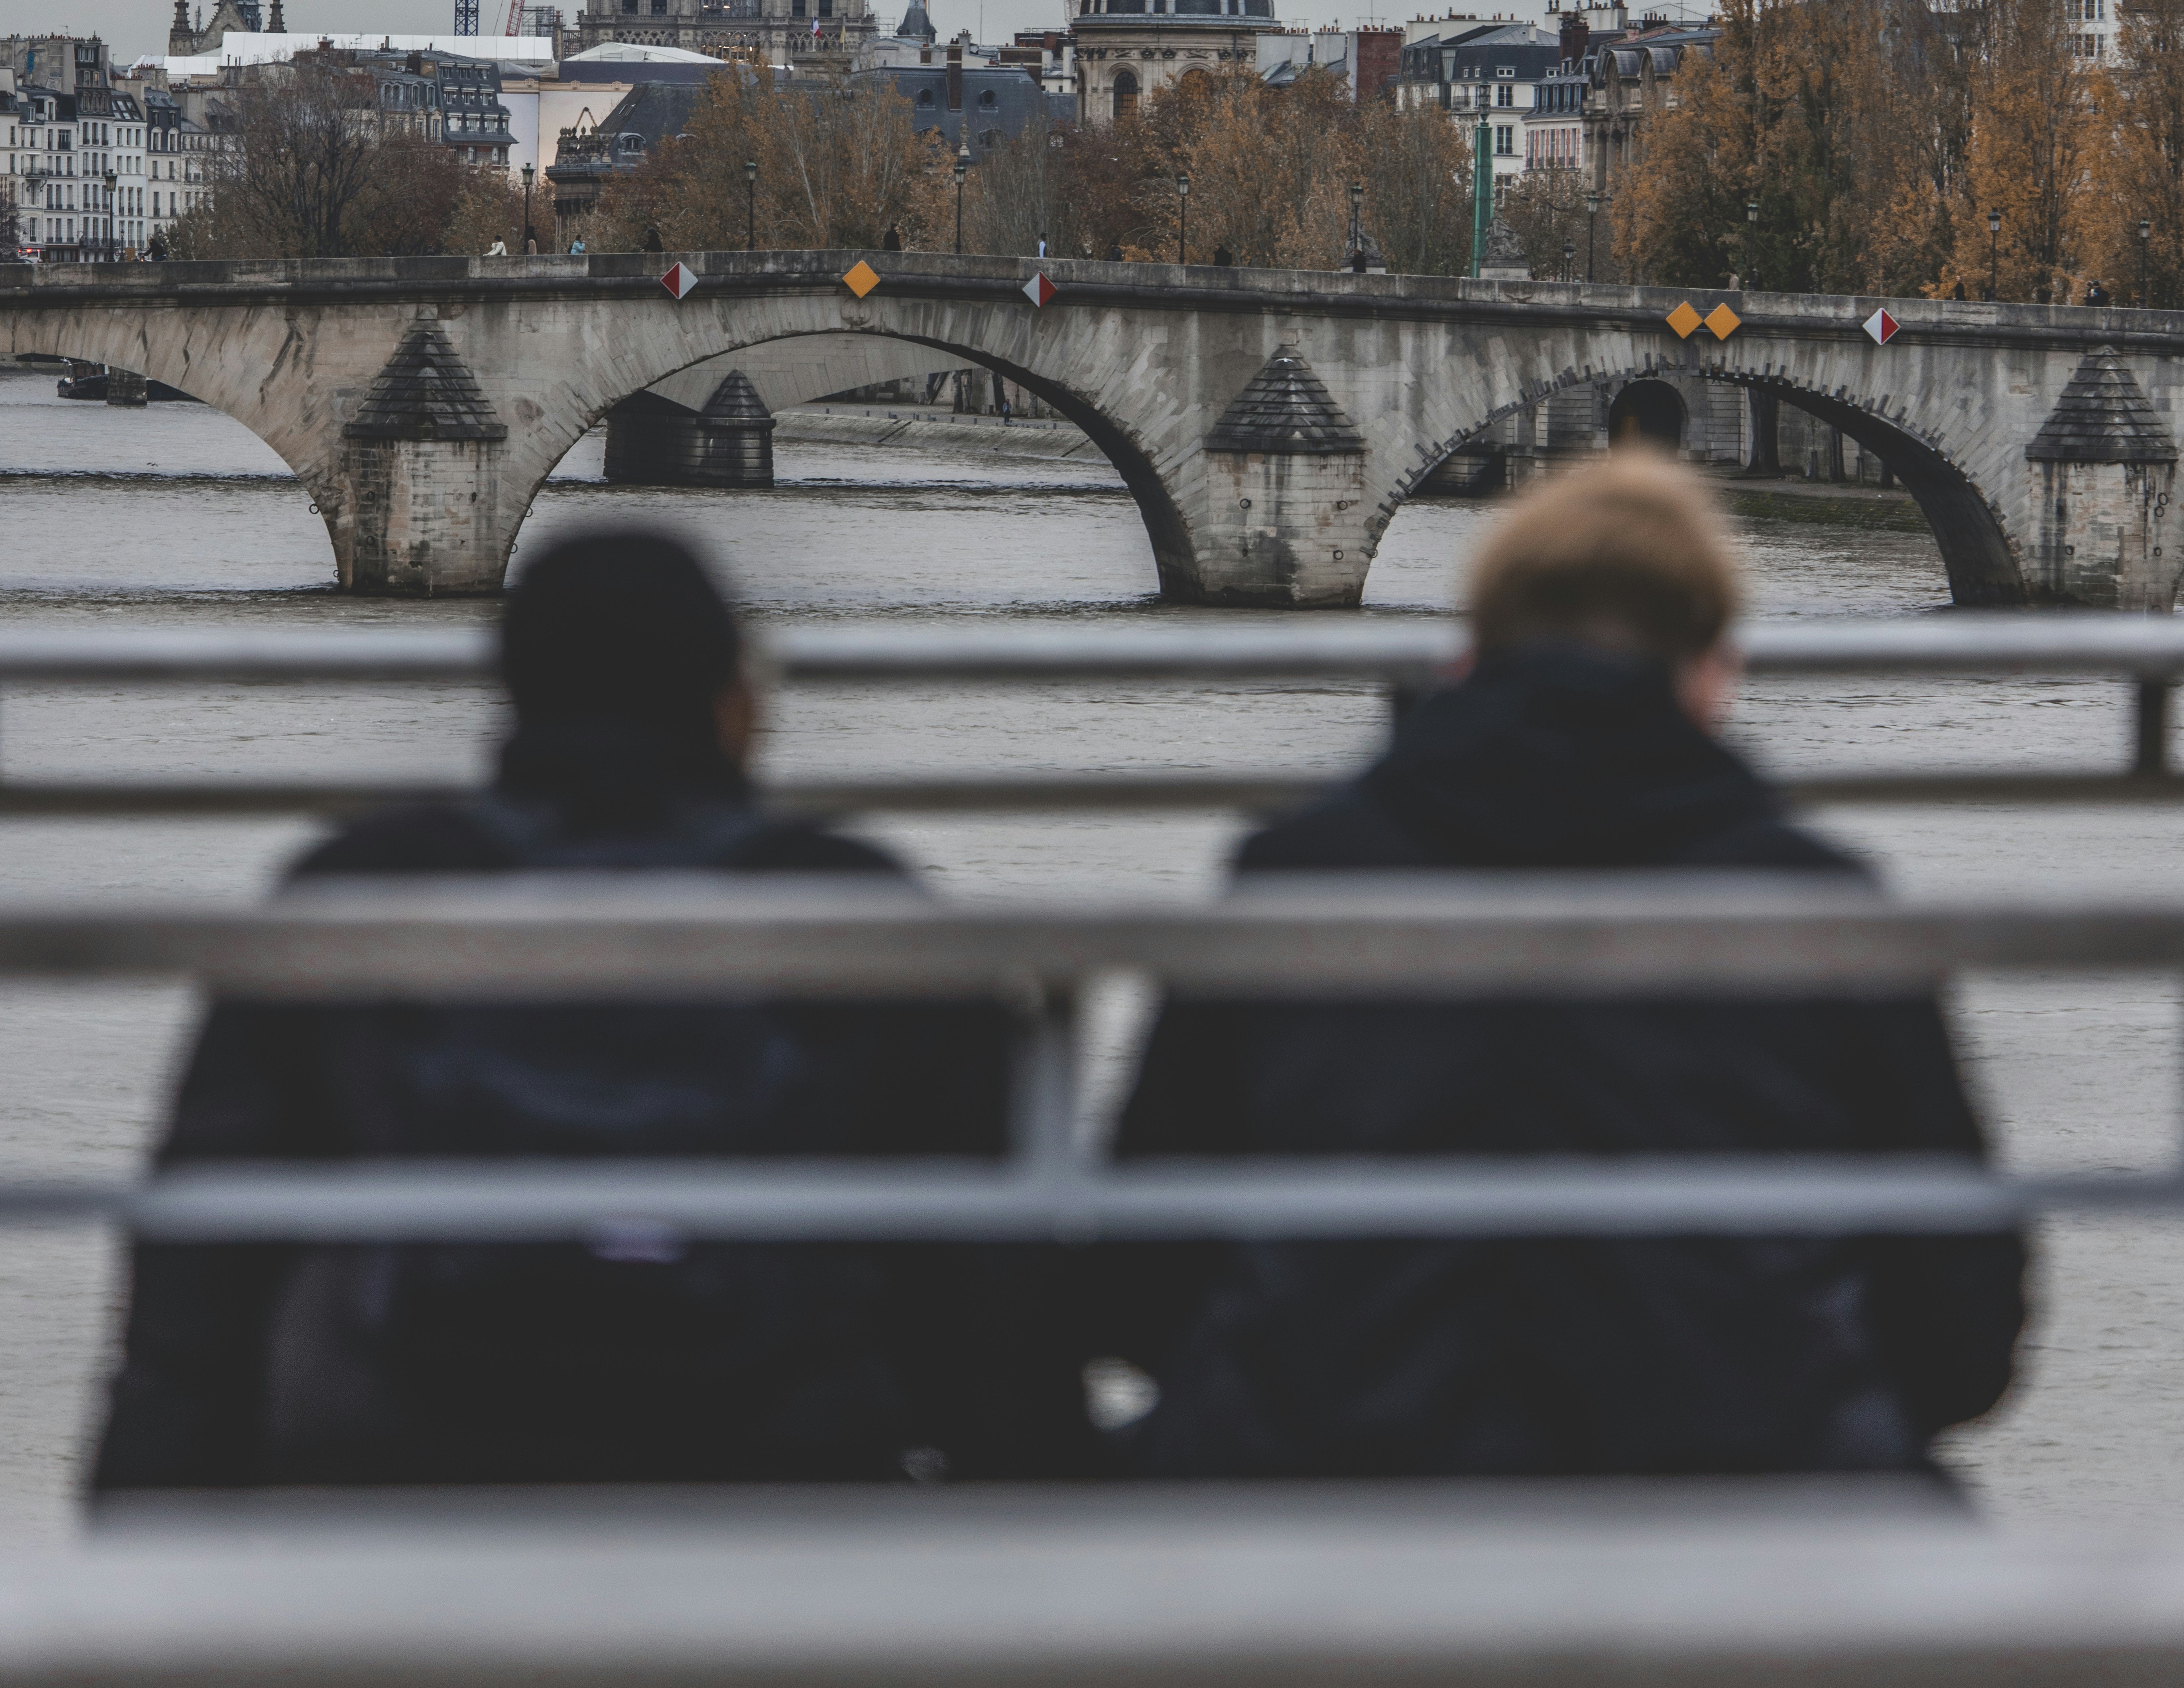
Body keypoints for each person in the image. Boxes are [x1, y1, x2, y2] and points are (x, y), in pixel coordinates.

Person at [91, 532, 1094, 1492]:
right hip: (770, 1464)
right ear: (734, 707)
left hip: (405, 1459)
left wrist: (140, 1579)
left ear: (513, 698)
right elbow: (994, 1304)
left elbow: (197, 1295)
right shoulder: (853, 897)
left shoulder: (363, 884)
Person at [1105, 450, 2025, 1479]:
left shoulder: (1291, 876)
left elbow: (1138, 1291)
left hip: (1329, 1514)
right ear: (1716, 675)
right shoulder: (1822, 906)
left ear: (1466, 657)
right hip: (1736, 1525)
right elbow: (1964, 1343)